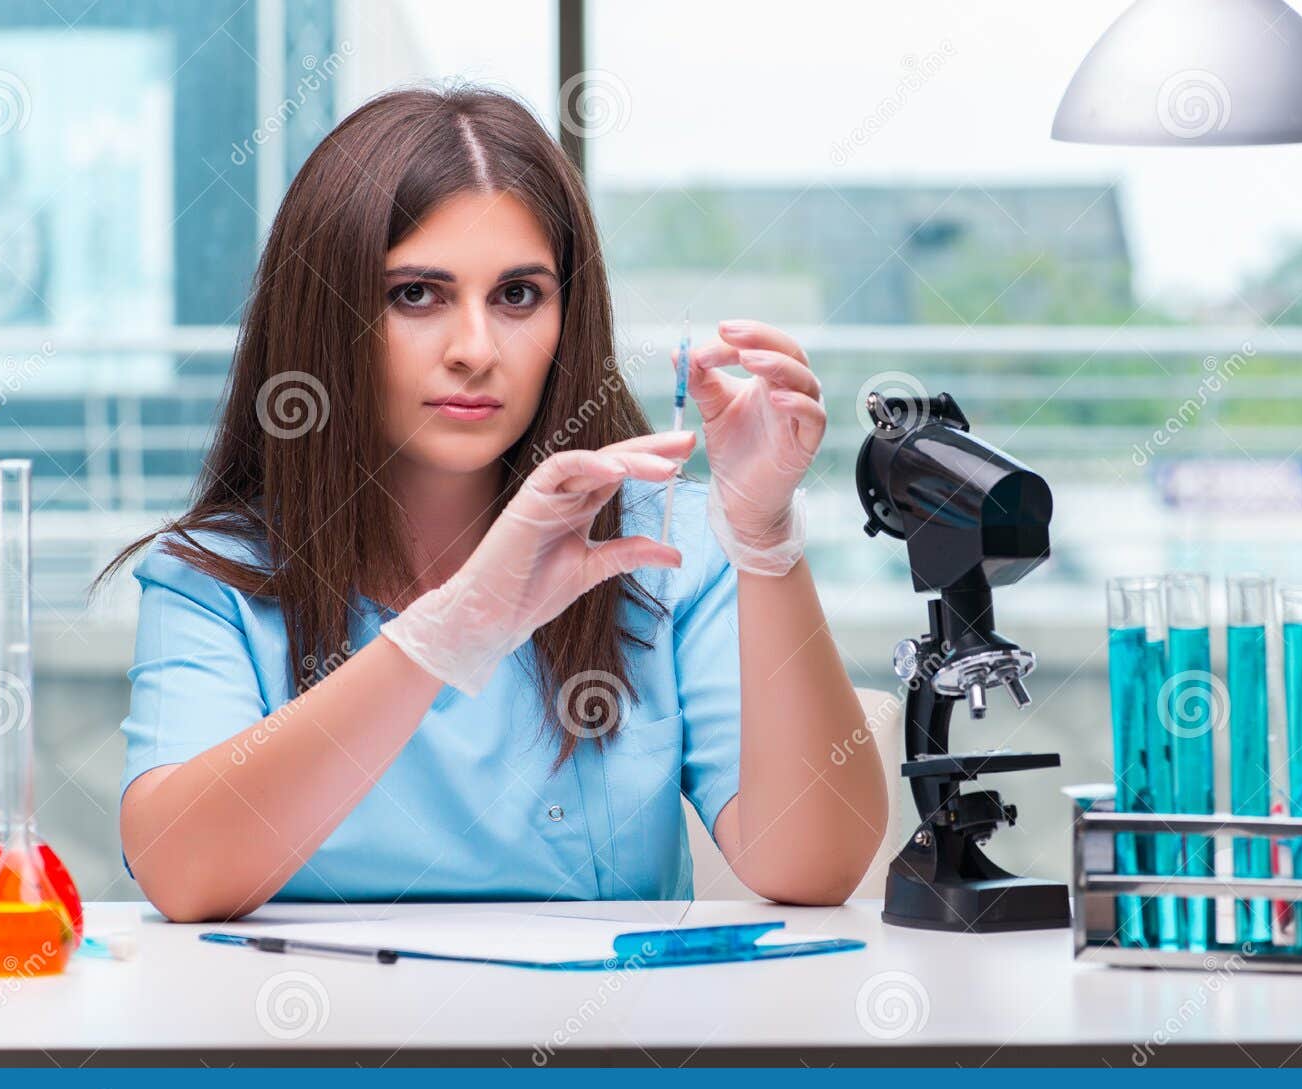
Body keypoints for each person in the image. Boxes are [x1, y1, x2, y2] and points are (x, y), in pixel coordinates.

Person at [97, 85, 887, 922]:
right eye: (416, 295)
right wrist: (455, 628)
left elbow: (815, 867)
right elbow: (182, 872)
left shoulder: (669, 547)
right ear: (321, 320)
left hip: (602, 1044)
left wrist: (763, 537)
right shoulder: (217, 576)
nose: (475, 351)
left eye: (517, 297)